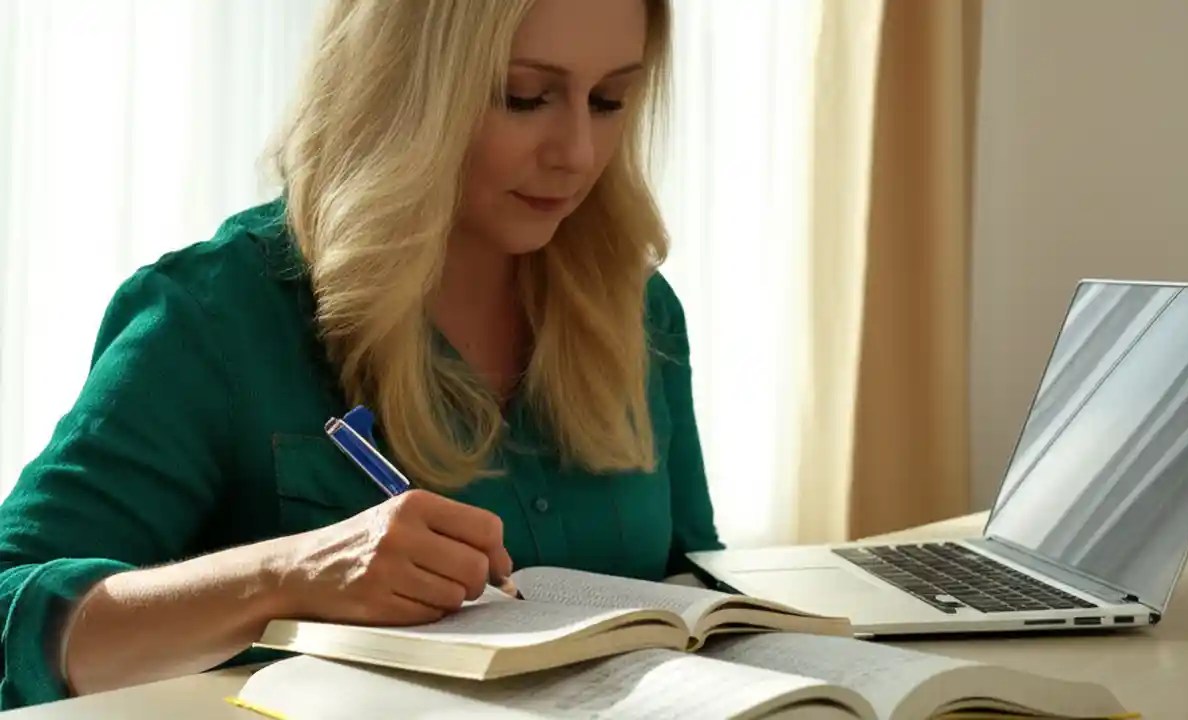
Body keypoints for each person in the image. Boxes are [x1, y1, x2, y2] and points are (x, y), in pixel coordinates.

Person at [0, 0, 722, 709]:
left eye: (608, 100)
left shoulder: (639, 310)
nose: (578, 154)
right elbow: (10, 611)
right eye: (522, 96)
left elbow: (697, 598)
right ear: (400, 84)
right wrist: (285, 576)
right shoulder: (216, 315)